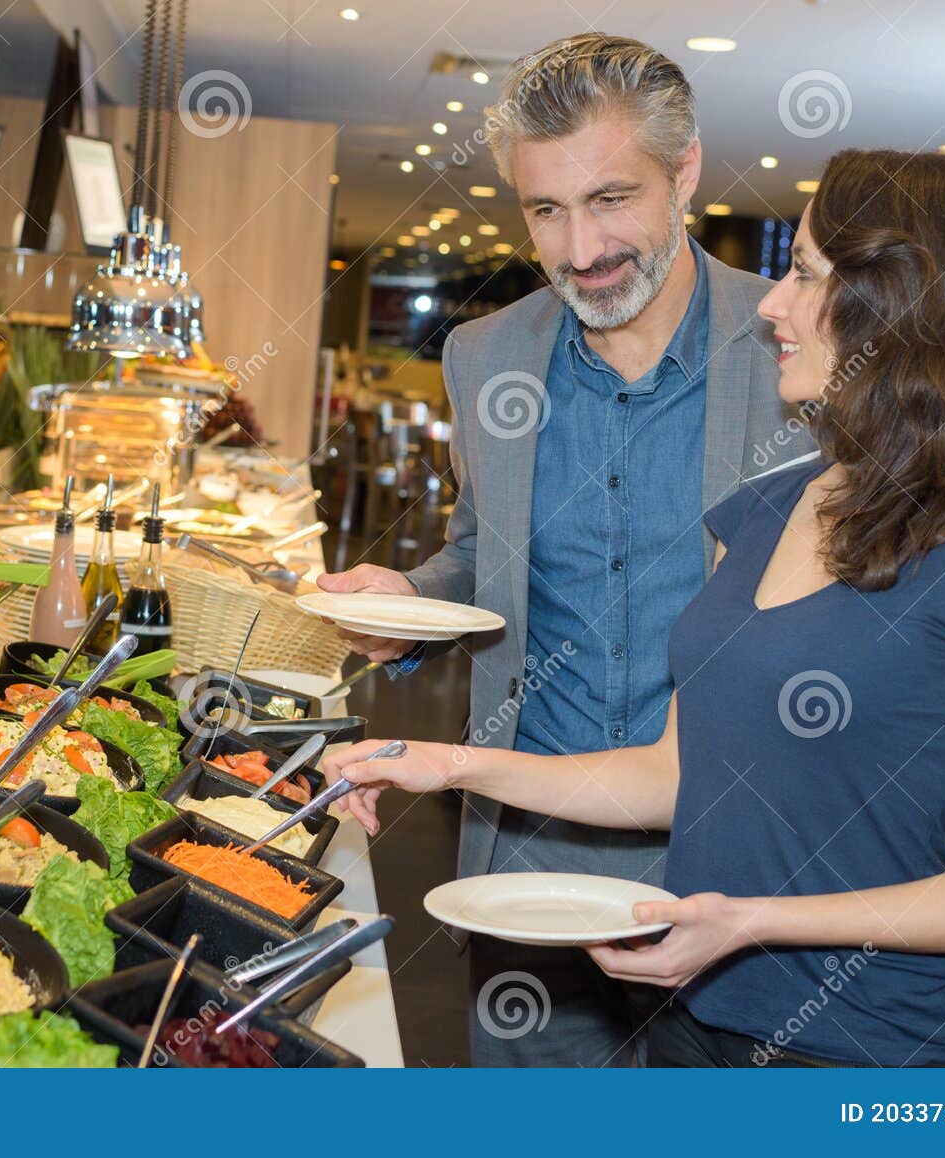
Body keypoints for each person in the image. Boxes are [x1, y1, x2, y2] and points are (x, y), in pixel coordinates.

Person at [323, 147, 945, 1068]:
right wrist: (445, 763)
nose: (772, 303)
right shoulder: (773, 507)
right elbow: (673, 774)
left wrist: (750, 924)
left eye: (807, 274)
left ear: (904, 307)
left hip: (859, 1053)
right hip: (695, 1023)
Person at [318, 34, 814, 1066]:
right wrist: (403, 601)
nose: (578, 249)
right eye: (544, 210)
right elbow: (481, 554)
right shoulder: (486, 354)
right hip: (530, 860)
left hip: (736, 857)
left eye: (610, 200)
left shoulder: (792, 359)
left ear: (682, 174)